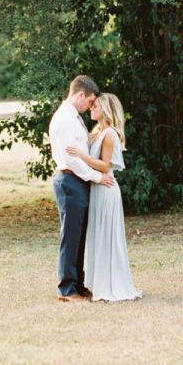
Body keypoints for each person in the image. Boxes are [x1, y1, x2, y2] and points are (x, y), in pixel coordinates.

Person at [66, 93, 142, 302]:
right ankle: (97, 283)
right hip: (96, 187)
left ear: (106, 110)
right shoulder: (96, 131)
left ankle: (112, 284)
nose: (91, 108)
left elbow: (106, 166)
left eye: (96, 106)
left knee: (106, 236)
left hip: (106, 188)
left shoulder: (110, 134)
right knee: (97, 236)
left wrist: (82, 156)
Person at [48, 75, 115, 302]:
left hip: (77, 180)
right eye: (90, 101)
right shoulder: (65, 119)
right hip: (69, 180)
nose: (90, 107)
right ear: (80, 94)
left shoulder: (73, 117)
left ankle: (77, 283)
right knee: (71, 235)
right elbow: (73, 160)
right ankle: (66, 289)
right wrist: (98, 177)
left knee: (79, 235)